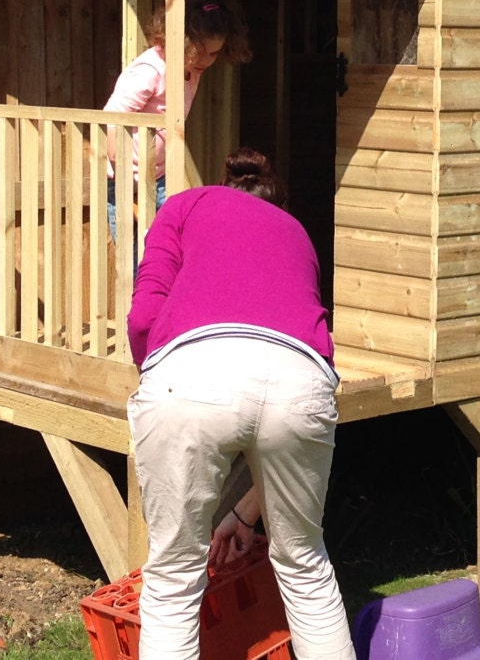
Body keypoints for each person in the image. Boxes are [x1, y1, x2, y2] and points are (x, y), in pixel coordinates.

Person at [126, 147, 355, 660]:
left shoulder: (184, 205)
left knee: (173, 577)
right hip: (300, 377)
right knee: (305, 564)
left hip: (190, 371)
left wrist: (156, 379)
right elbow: (270, 393)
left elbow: (144, 318)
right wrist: (247, 512)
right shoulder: (297, 235)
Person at [103, 0, 250, 239]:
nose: (205, 60)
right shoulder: (151, 70)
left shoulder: (192, 69)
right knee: (136, 257)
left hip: (159, 176)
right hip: (130, 181)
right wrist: (122, 170)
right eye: (199, 52)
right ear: (180, 42)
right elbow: (115, 115)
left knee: (168, 251)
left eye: (214, 54)